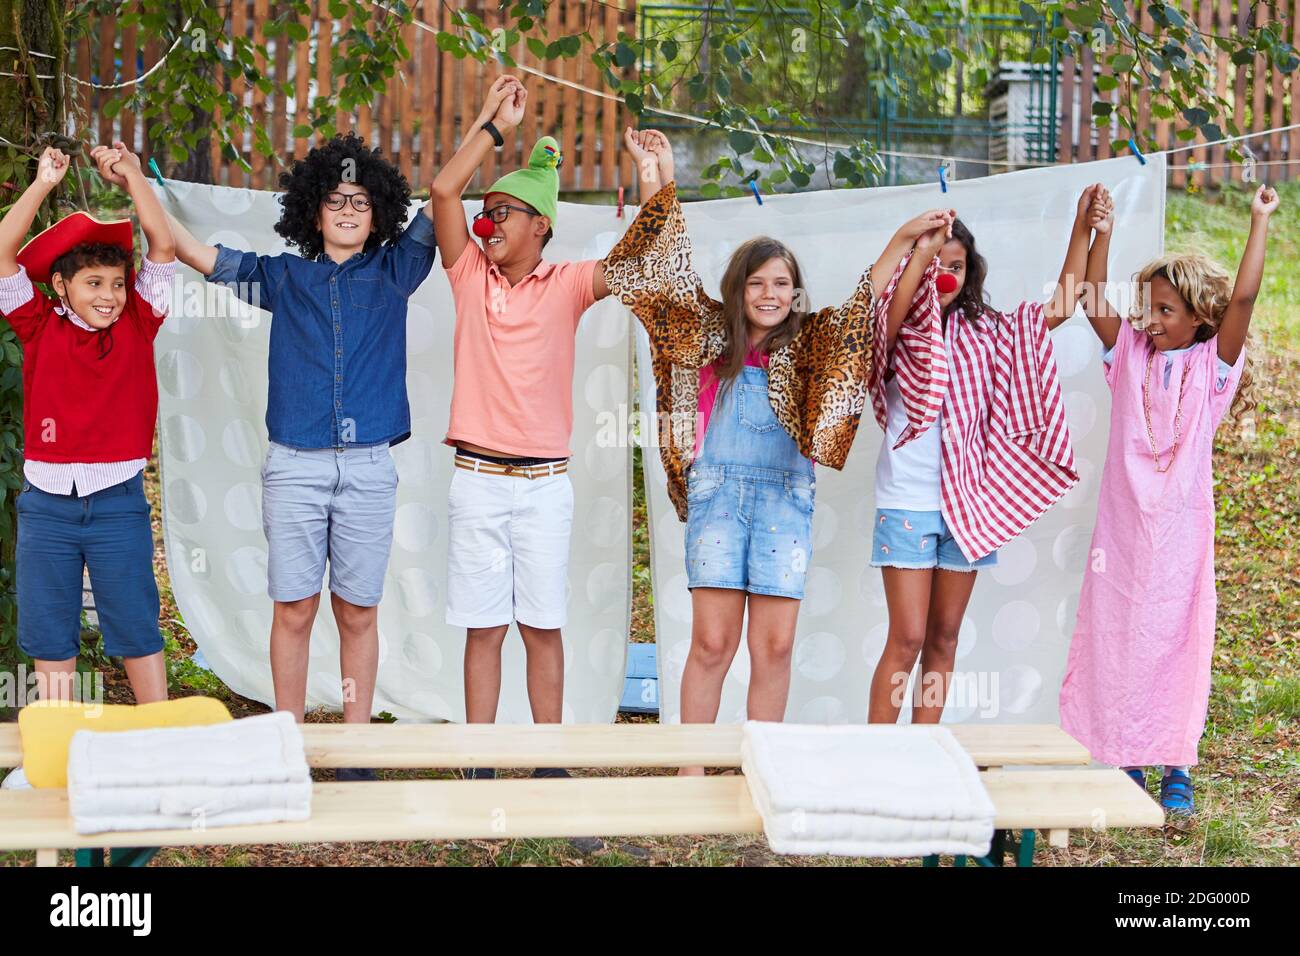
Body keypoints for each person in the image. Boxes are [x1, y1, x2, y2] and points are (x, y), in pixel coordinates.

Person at [608, 128, 949, 774]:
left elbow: (859, 306)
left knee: (776, 645)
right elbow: (666, 267)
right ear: (738, 288)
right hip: (717, 496)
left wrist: (903, 242)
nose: (771, 294)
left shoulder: (812, 345)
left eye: (783, 284)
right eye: (758, 282)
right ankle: (691, 771)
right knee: (711, 642)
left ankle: (758, 768)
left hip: (785, 501)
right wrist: (658, 176)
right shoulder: (708, 337)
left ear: (795, 292)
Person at [167, 133, 437, 780]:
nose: (348, 210)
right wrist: (134, 189)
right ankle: (285, 746)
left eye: (362, 201)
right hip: (296, 466)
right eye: (335, 200)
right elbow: (191, 250)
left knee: (358, 610)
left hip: (369, 466)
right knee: (294, 608)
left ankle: (356, 750)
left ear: (380, 214)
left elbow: (446, 195)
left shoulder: (396, 272)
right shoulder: (282, 277)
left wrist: (487, 124)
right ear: (313, 212)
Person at [1059, 183, 1276, 816]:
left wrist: (1258, 217)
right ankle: (1127, 759)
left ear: (1198, 319)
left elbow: (1245, 296)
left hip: (1183, 532)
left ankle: (1176, 762)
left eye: (1164, 311)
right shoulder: (1128, 352)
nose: (1149, 320)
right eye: (1148, 308)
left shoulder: (1215, 367)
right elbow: (1093, 299)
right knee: (1122, 634)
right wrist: (1100, 232)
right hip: (1122, 533)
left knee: (1179, 636)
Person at [866, 186, 1111, 724]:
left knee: (944, 637)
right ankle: (872, 758)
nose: (946, 277)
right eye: (935, 265)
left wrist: (1080, 226)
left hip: (967, 507)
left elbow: (1064, 304)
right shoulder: (899, 330)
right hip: (907, 501)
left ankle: (924, 752)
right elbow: (887, 318)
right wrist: (921, 251)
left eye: (956, 265)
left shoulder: (987, 332)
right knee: (906, 639)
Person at [430, 76, 615, 779]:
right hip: (476, 482)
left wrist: (658, 179)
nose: (489, 222)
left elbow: (643, 265)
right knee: (484, 627)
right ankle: (478, 762)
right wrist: (492, 127)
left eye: (506, 212)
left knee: (543, 625)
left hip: (543, 488)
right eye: (489, 212)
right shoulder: (468, 276)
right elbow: (445, 193)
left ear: (541, 224)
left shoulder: (568, 283)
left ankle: (547, 764)